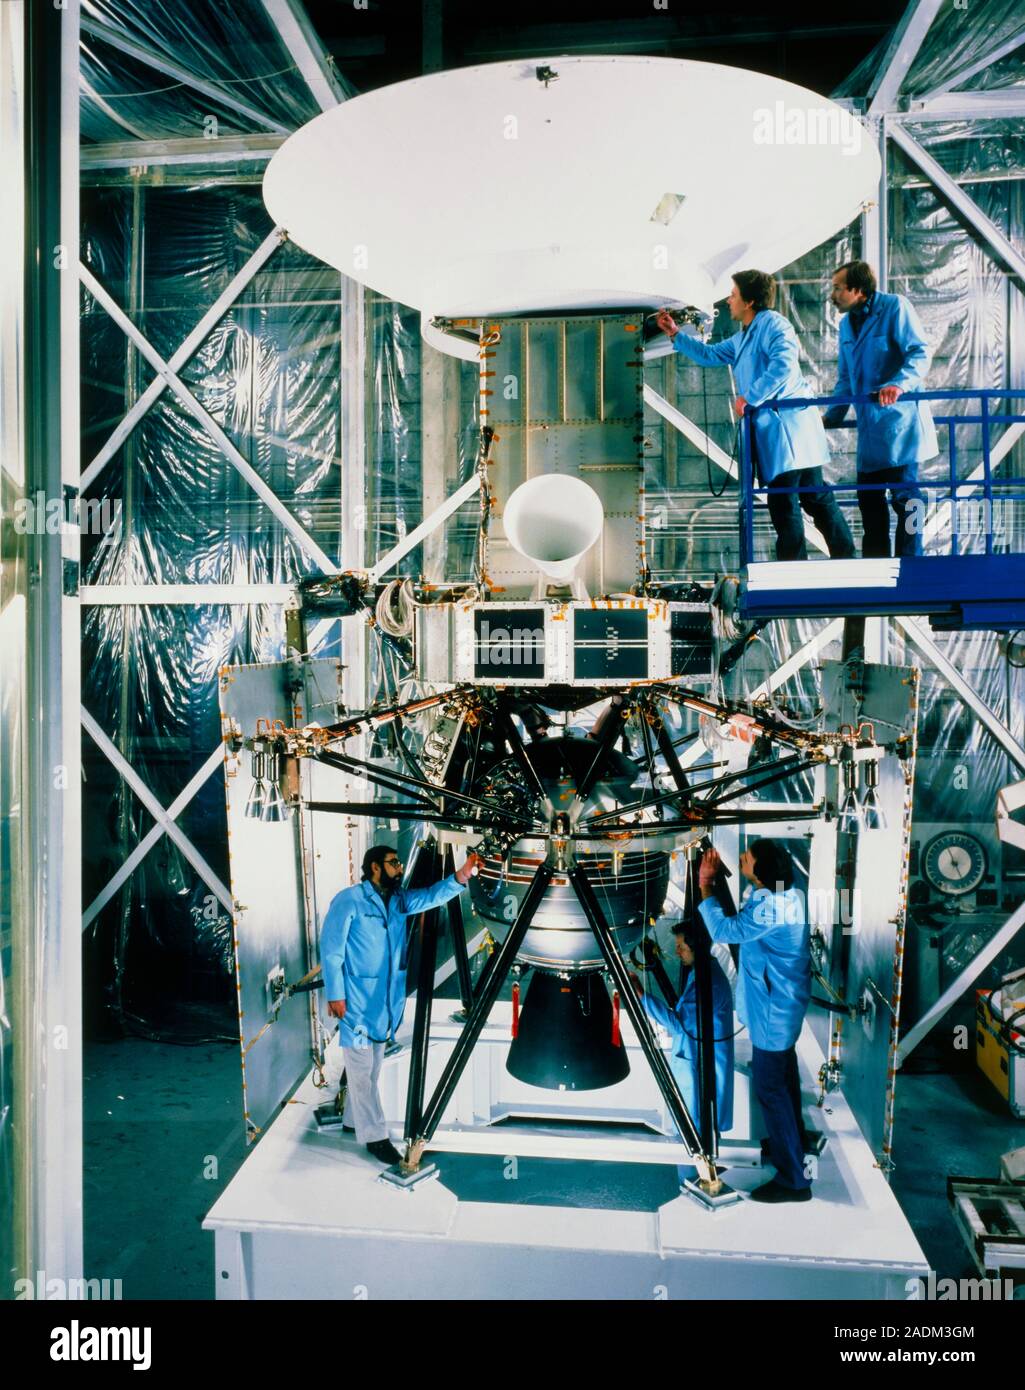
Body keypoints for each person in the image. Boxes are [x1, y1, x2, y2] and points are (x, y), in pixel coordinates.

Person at [657, 271, 855, 562]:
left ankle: (799, 572)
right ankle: (837, 560)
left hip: (791, 427)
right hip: (782, 433)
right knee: (811, 498)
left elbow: (783, 366)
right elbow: (710, 355)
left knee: (793, 501)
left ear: (749, 301)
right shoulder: (744, 337)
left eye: (733, 295)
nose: (728, 301)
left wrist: (750, 397)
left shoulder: (775, 325)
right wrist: (675, 334)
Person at [321, 843, 481, 1164]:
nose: (399, 868)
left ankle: (354, 1121)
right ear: (375, 867)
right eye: (393, 863)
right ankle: (375, 1138)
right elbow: (332, 949)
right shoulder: (349, 900)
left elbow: (431, 896)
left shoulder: (397, 900)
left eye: (398, 862)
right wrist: (335, 994)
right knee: (364, 1071)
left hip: (386, 1005)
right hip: (357, 1002)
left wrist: (462, 876)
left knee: (371, 1068)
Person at [697, 840, 813, 1204]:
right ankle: (793, 1141)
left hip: (772, 1014)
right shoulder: (789, 894)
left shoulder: (770, 908)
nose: (742, 859)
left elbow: (724, 932)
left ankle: (794, 1180)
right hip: (785, 1005)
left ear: (761, 870)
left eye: (747, 859)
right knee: (785, 1080)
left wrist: (704, 883)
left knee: (770, 1089)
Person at [824, 260, 937, 558]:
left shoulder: (894, 308)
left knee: (907, 501)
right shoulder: (846, 324)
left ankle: (910, 572)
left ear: (858, 290)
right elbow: (846, 379)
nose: (832, 295)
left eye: (837, 288)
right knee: (869, 504)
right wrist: (830, 417)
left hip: (901, 425)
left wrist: (898, 385)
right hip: (871, 434)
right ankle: (876, 575)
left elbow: (920, 352)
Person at [630, 921, 735, 1191]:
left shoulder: (705, 981)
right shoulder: (701, 973)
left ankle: (694, 1186)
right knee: (696, 1130)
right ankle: (696, 1183)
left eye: (681, 946)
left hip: (700, 1068)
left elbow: (678, 1023)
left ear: (696, 946)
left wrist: (640, 996)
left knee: (693, 1134)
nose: (677, 952)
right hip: (699, 1062)